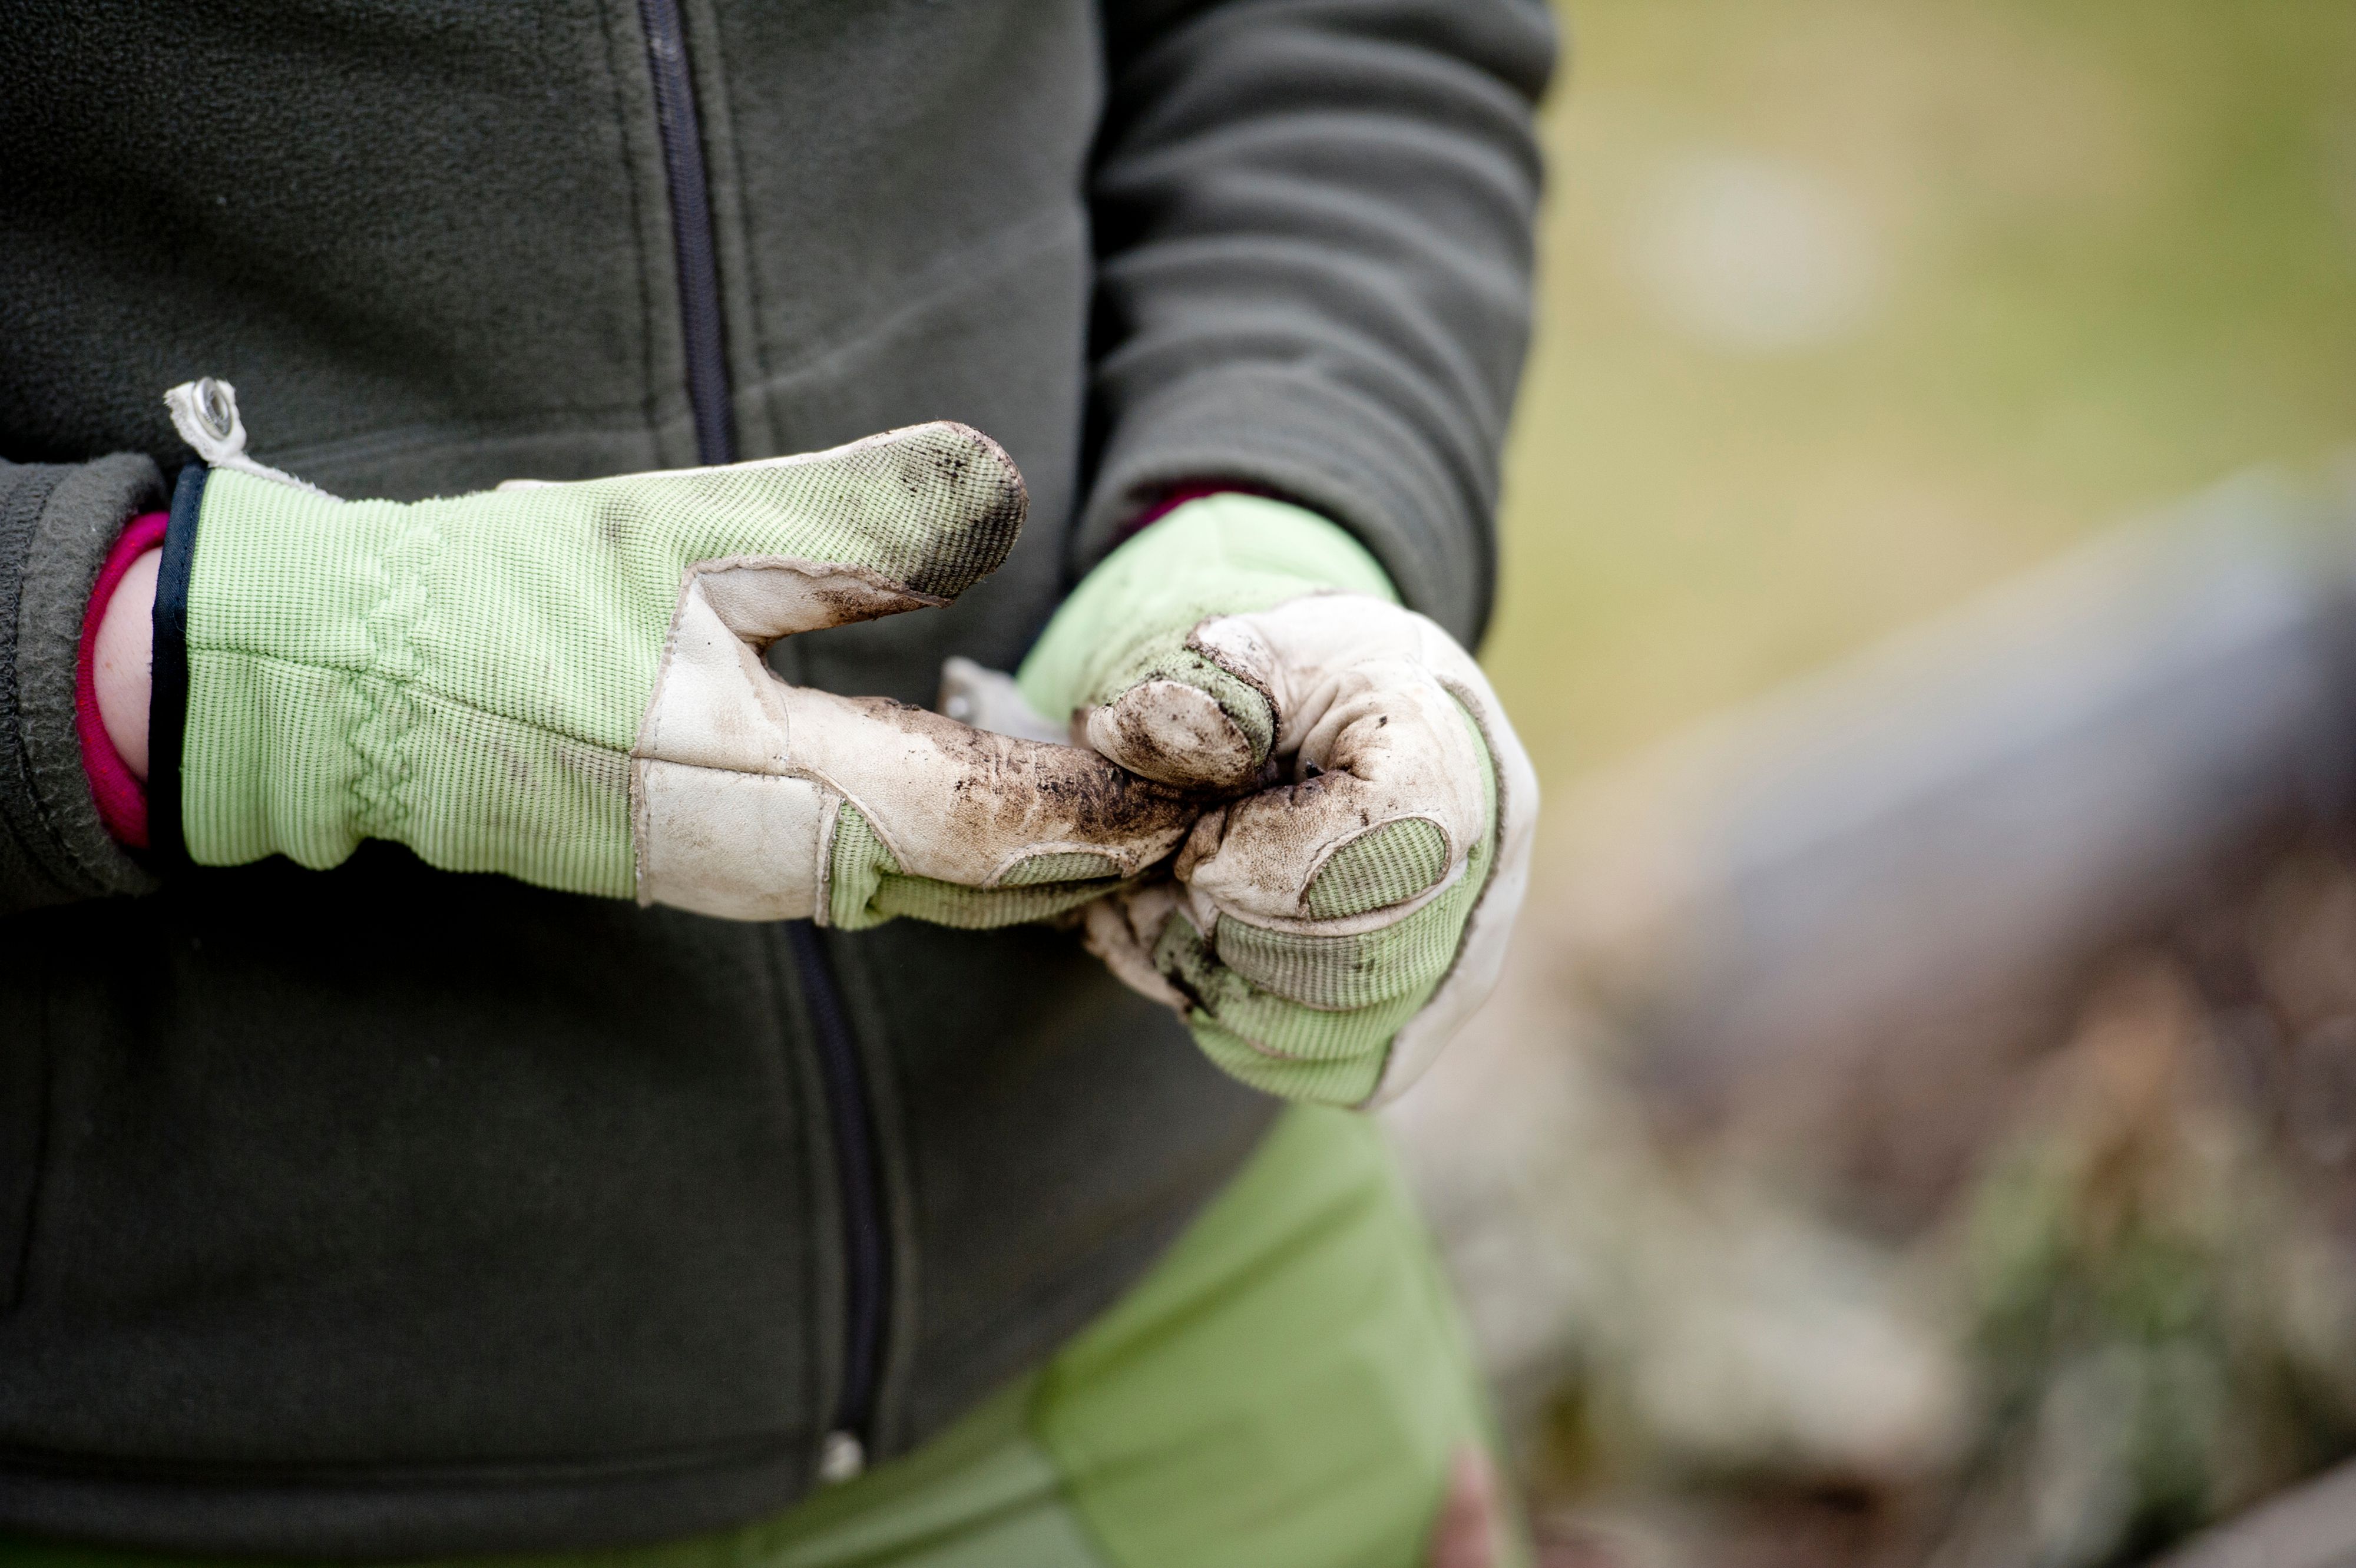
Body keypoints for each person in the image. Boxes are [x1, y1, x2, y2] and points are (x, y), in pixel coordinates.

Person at [0, 2, 1553, 1564]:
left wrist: (1276, 503)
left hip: (1181, 1277)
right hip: (189, 1458)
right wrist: (240, 663)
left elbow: (1339, 43)